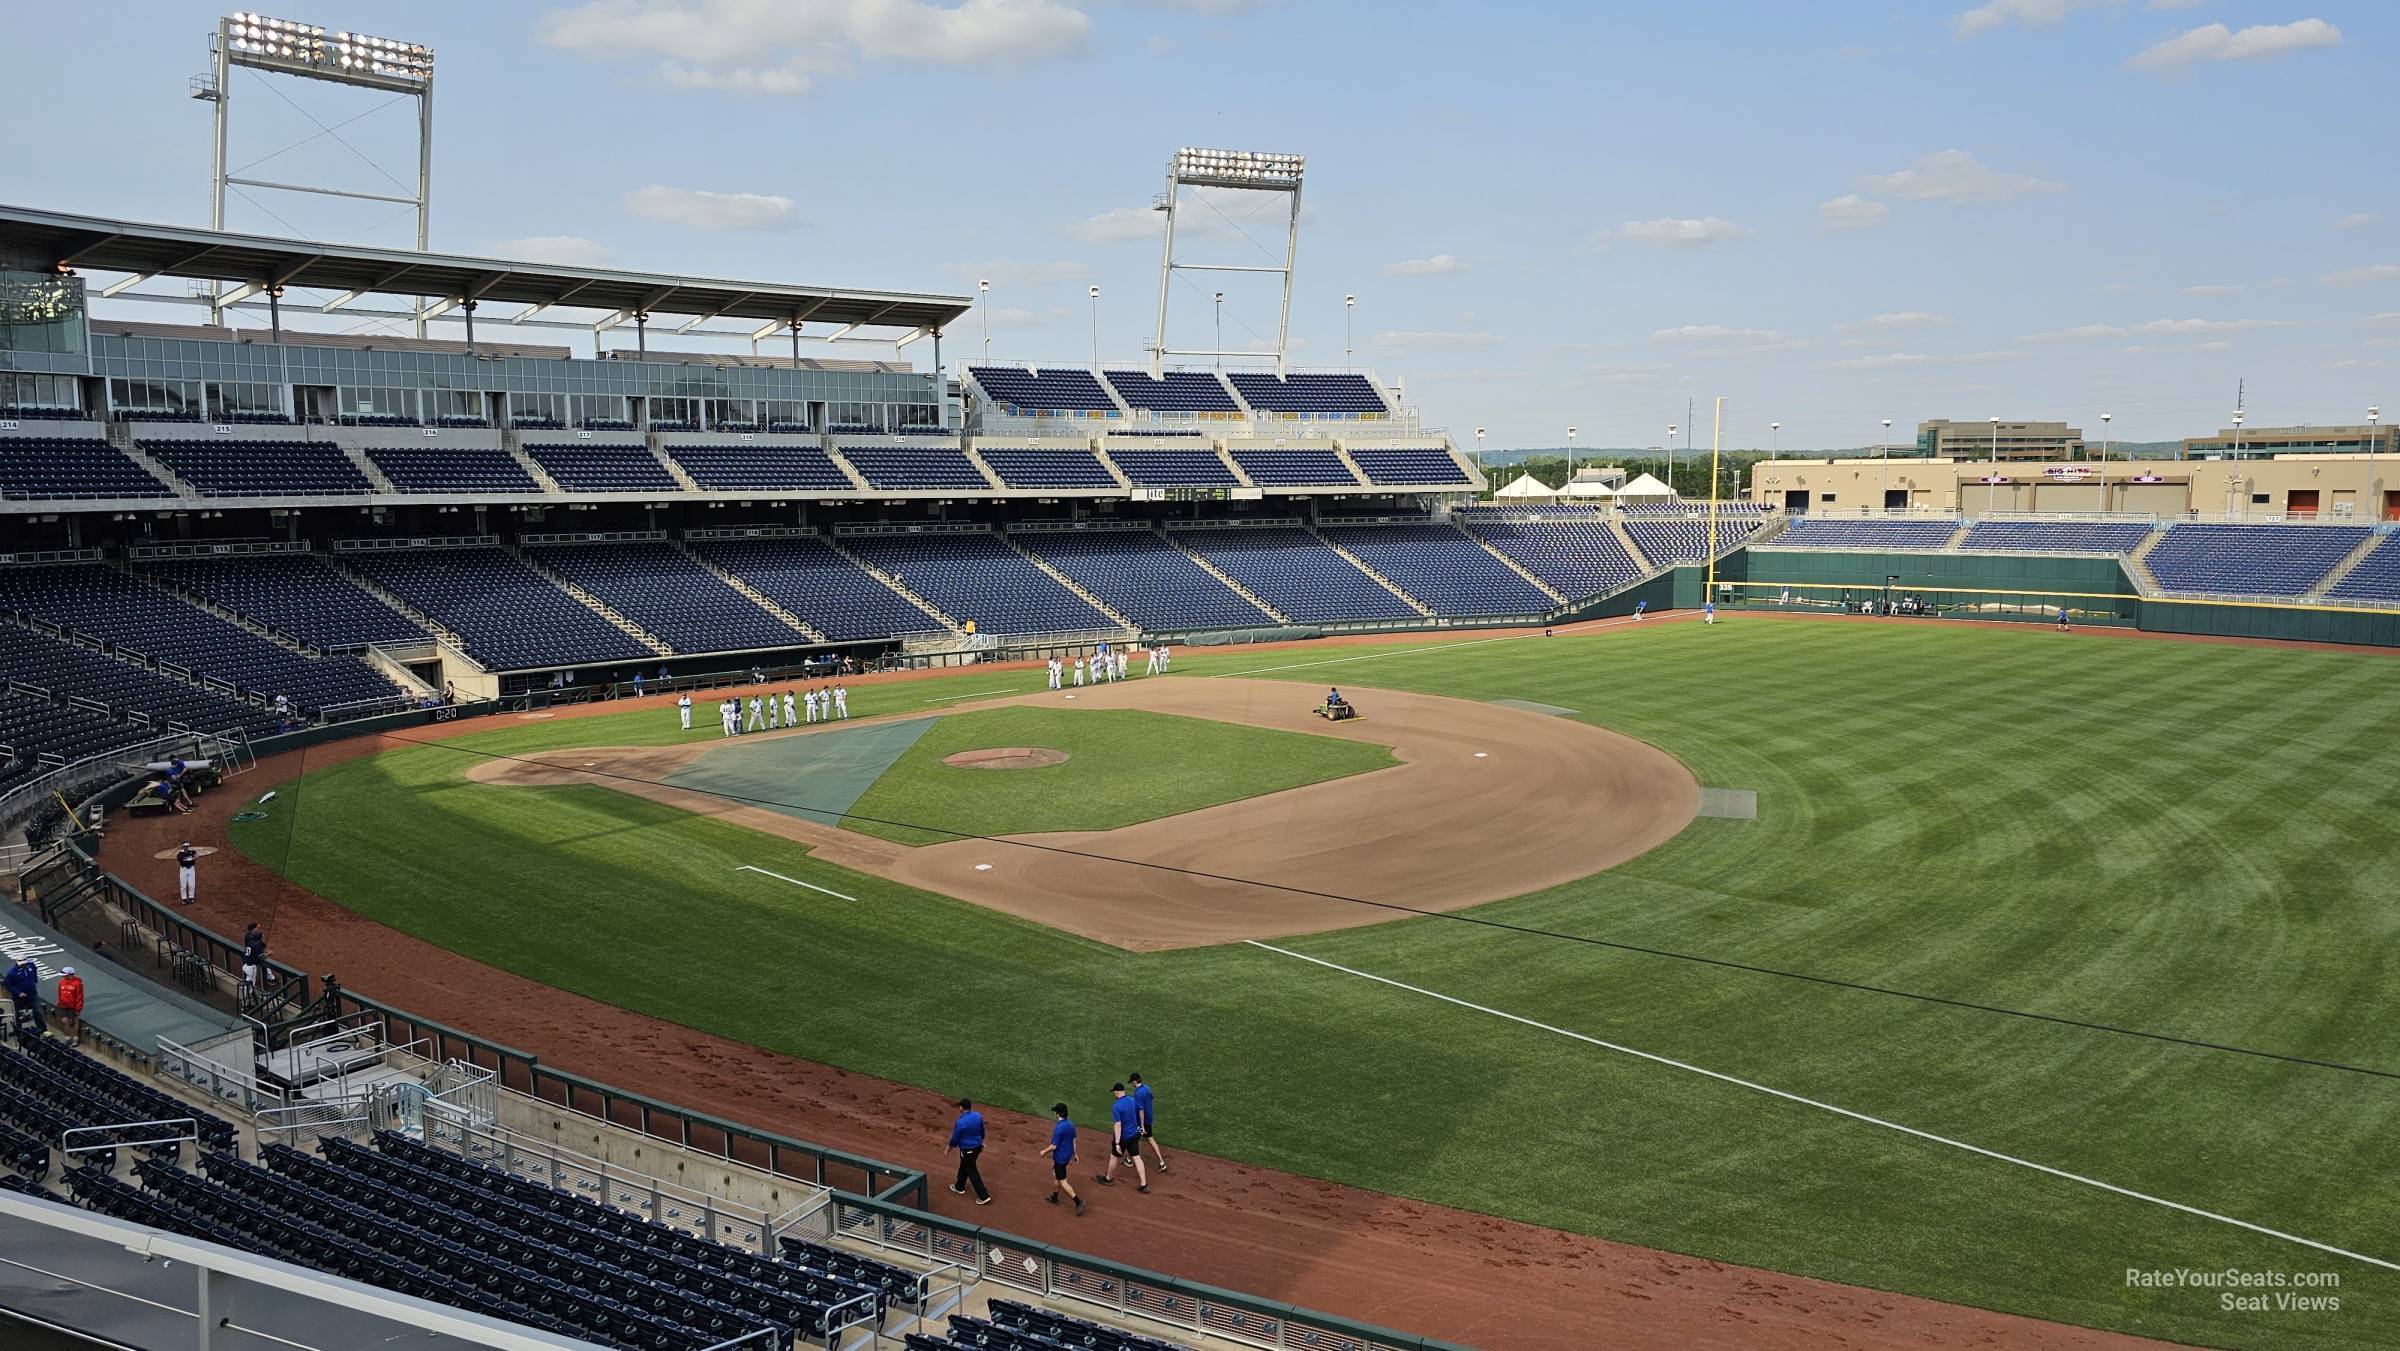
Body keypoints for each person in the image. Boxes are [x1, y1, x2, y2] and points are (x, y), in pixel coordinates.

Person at [1094, 1083, 1149, 1193]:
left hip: (1123, 1137)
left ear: (1117, 1092)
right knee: (1137, 1158)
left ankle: (1108, 1178)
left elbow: (1118, 1125)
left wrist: (1117, 1143)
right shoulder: (1132, 1100)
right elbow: (1139, 1111)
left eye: (1114, 1091)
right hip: (1134, 1134)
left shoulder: (1117, 1106)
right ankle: (1144, 1184)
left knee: (1114, 1157)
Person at [1040, 1103, 1085, 1215]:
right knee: (1057, 1174)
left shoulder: (1058, 1128)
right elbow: (1073, 1140)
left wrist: (1044, 1151)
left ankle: (1078, 1202)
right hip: (1067, 1156)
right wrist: (1075, 1154)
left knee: (1063, 1181)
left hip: (1060, 1158)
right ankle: (1054, 1197)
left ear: (1057, 1114)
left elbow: (1054, 1146)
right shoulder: (1070, 1124)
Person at [947, 1098, 992, 1204]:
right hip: (977, 1147)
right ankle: (959, 1186)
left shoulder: (961, 1122)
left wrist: (948, 1149)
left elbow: (955, 1138)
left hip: (968, 1150)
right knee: (965, 1165)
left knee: (971, 1170)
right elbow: (982, 1131)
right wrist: (981, 1141)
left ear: (961, 1108)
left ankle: (984, 1196)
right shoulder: (977, 1116)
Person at [1129, 1072, 1168, 1173]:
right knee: (1149, 1139)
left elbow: (1140, 1110)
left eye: (1131, 1082)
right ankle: (1162, 1162)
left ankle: (1129, 1160)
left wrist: (1142, 1125)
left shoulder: (1137, 1093)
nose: (1131, 1084)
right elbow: (1151, 1097)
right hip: (1149, 1117)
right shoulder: (1146, 1087)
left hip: (1142, 1120)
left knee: (1133, 1138)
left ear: (1134, 1081)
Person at [4, 956, 43, 1037]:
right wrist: (18, 993)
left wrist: (34, 981)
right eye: (22, 964)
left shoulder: (31, 965)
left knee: (37, 1011)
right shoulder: (12, 972)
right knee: (18, 1013)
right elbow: (7, 984)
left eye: (24, 964)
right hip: (19, 997)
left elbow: (35, 970)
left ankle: (42, 1029)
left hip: (32, 993)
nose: (23, 965)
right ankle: (18, 1030)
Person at [54, 966, 84, 1046]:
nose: (63, 976)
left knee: (74, 1022)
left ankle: (75, 1039)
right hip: (63, 1005)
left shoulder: (77, 983)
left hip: (73, 1006)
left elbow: (79, 997)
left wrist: (78, 1008)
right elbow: (59, 993)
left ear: (69, 974)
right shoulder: (61, 982)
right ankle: (67, 1038)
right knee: (65, 1021)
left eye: (64, 975)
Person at [241, 923, 267, 988]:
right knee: (250, 984)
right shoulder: (256, 945)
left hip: (245, 965)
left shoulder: (250, 943)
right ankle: (246, 997)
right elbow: (261, 956)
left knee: (248, 983)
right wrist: (268, 953)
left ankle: (247, 995)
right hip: (251, 968)